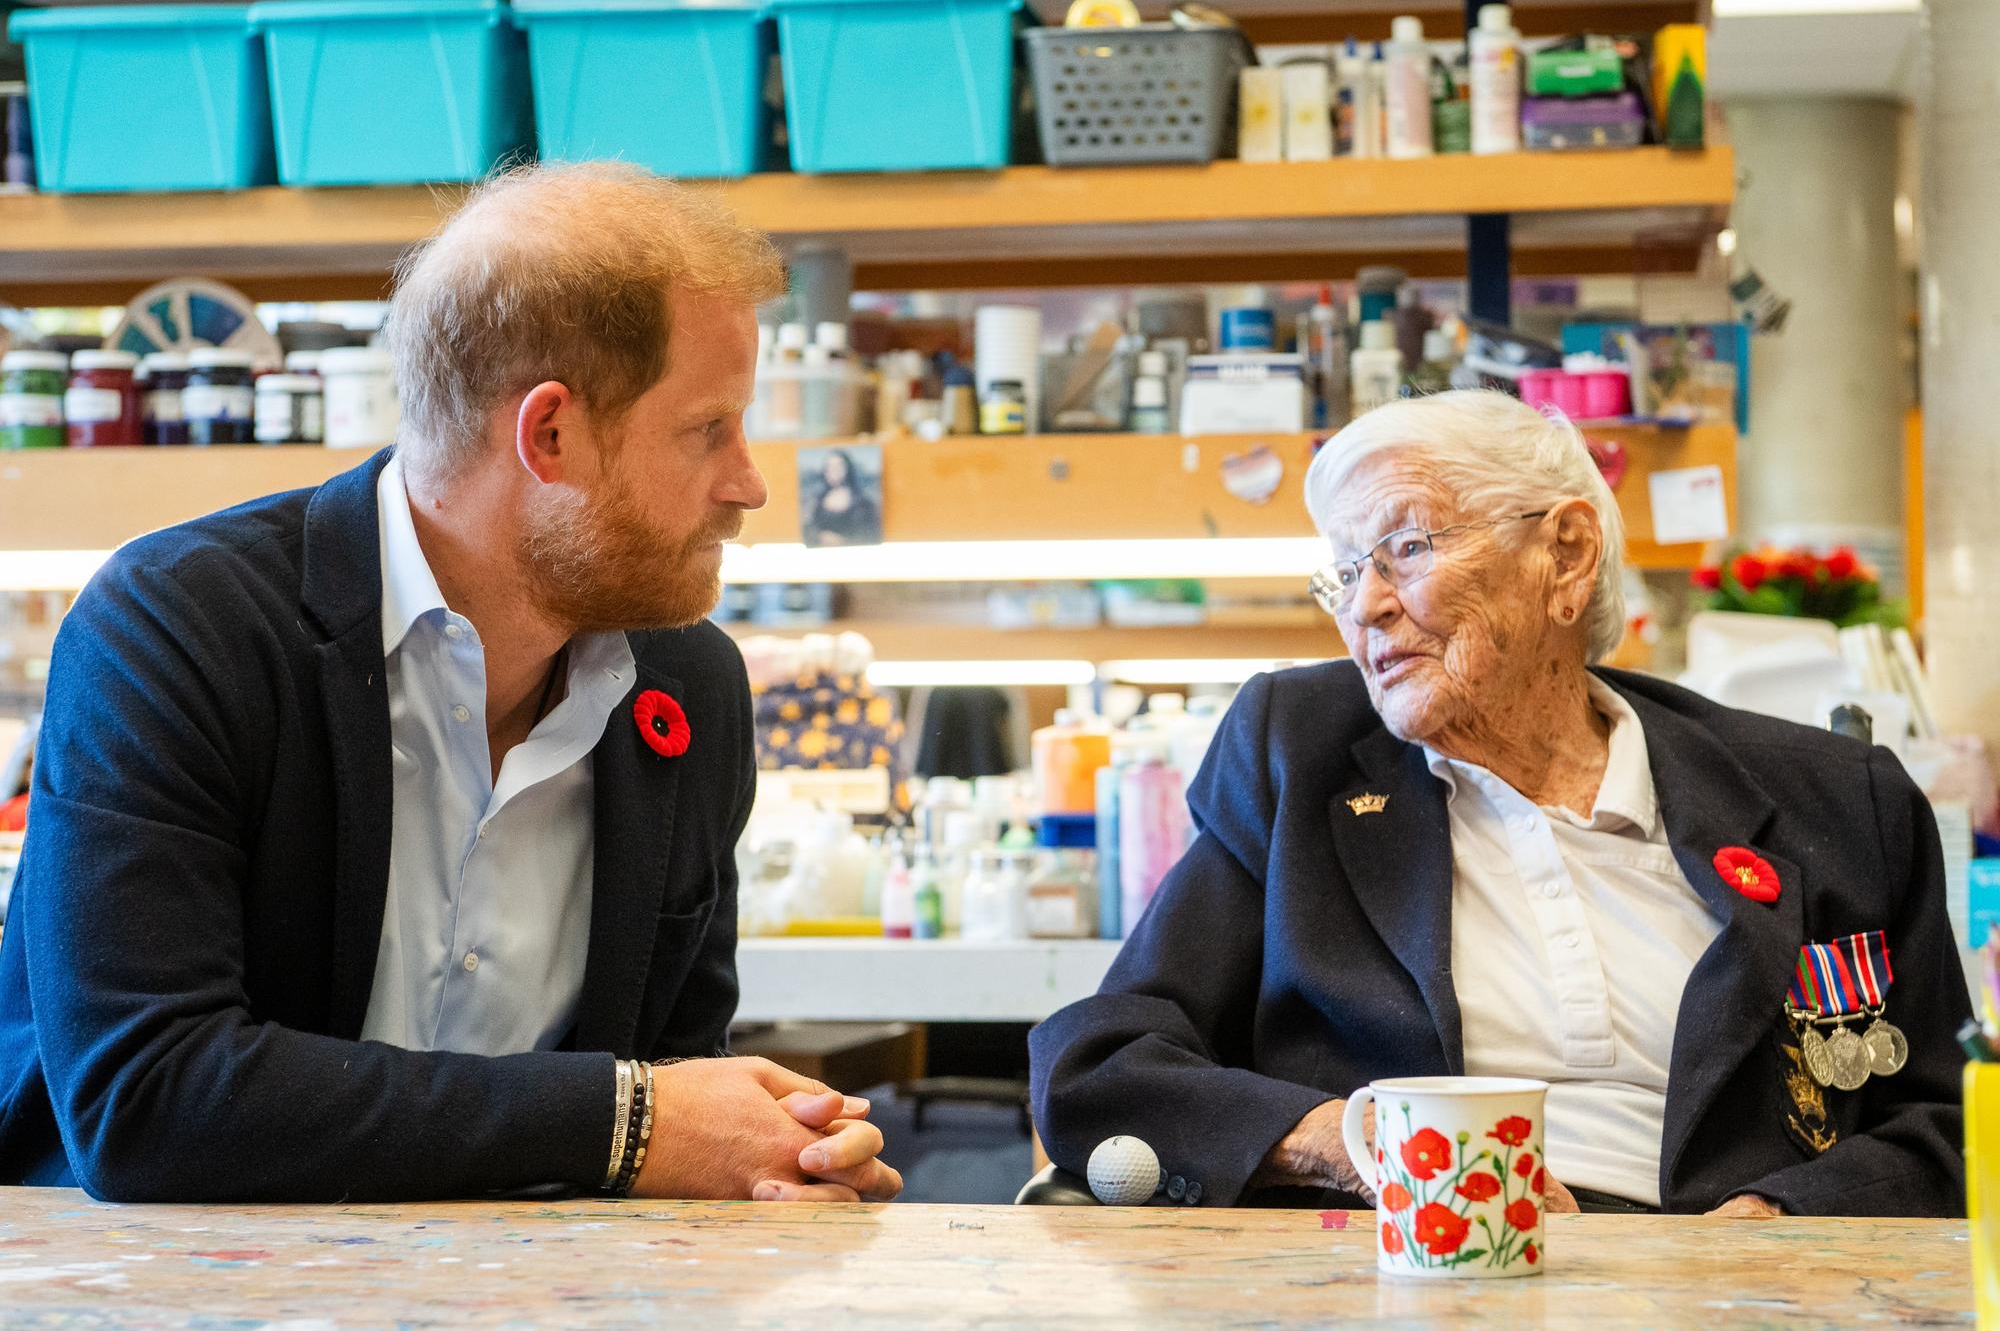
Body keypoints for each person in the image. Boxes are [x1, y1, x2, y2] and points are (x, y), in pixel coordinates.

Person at [0, 162, 901, 1206]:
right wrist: (627, 1121)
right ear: (549, 434)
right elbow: (145, 1103)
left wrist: (773, 1152)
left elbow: (674, 1099)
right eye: (707, 429)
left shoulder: (686, 690)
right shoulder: (180, 627)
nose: (746, 483)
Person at [1031, 390, 1968, 1217]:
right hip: (1408, 1274)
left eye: (1403, 549)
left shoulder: (1838, 799)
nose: (1367, 607)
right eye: (1347, 573)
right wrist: (1350, 1143)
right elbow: (1103, 1060)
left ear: (1564, 556)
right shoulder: (1302, 754)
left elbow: (1950, 1120)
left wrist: (1771, 1226)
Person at [802, 448, 881, 548]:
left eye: (838, 466)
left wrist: (843, 541)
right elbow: (807, 531)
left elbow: (872, 536)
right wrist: (820, 537)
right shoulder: (816, 500)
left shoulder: (864, 503)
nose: (833, 471)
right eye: (829, 467)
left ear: (848, 469)